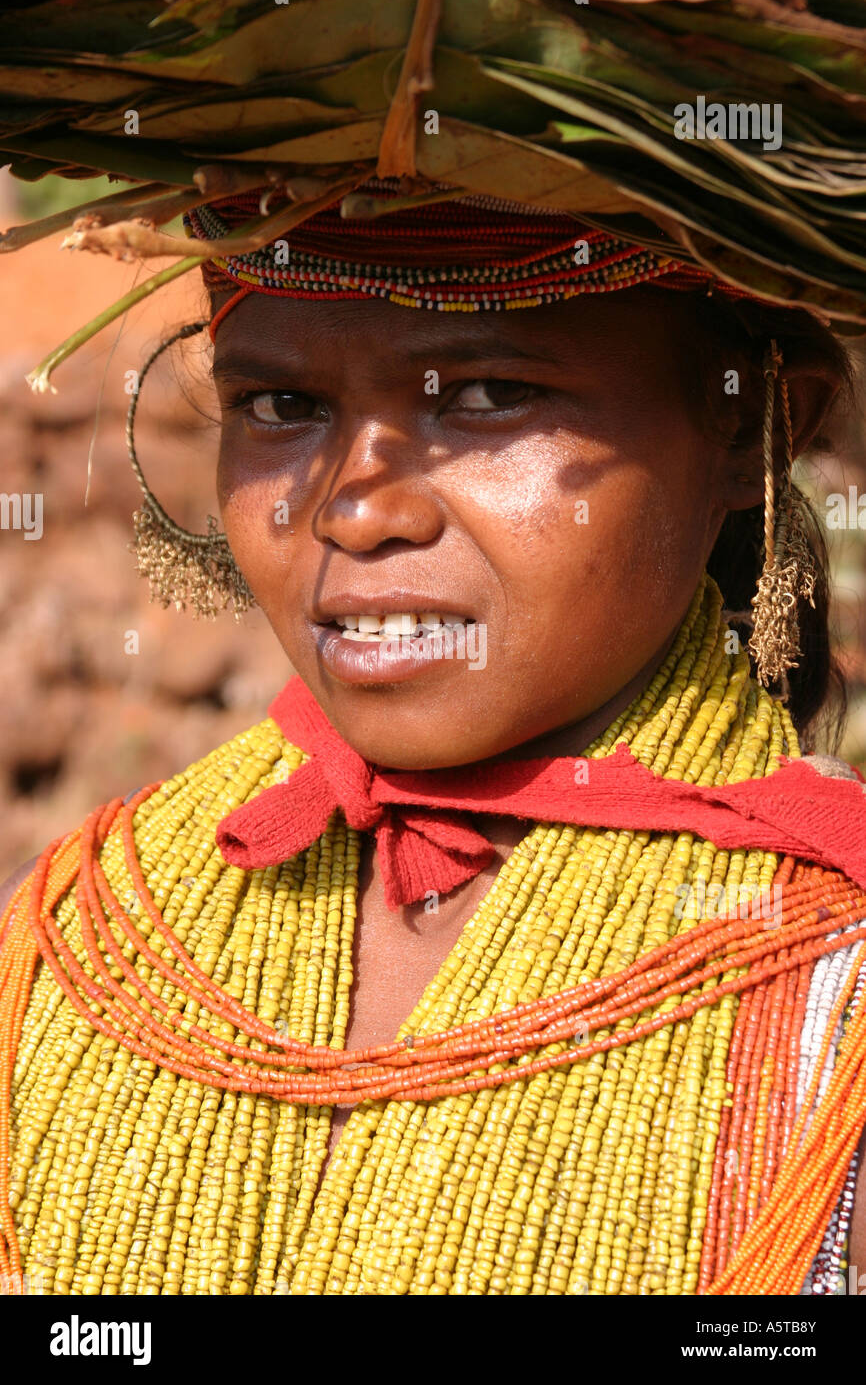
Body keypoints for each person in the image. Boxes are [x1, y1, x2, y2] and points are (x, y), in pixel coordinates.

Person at [2, 177, 866, 1298]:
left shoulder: (825, 1017)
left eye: (489, 392)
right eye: (280, 407)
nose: (356, 511)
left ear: (751, 417)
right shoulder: (79, 944)